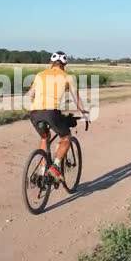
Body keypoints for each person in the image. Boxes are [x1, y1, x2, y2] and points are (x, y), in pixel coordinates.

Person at [27, 51, 89, 182]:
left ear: (51, 63)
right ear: (65, 64)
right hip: (51, 112)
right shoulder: (67, 77)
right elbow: (76, 98)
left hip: (34, 113)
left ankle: (42, 170)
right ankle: (55, 166)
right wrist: (83, 112)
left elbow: (30, 95)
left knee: (45, 137)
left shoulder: (40, 75)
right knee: (66, 137)